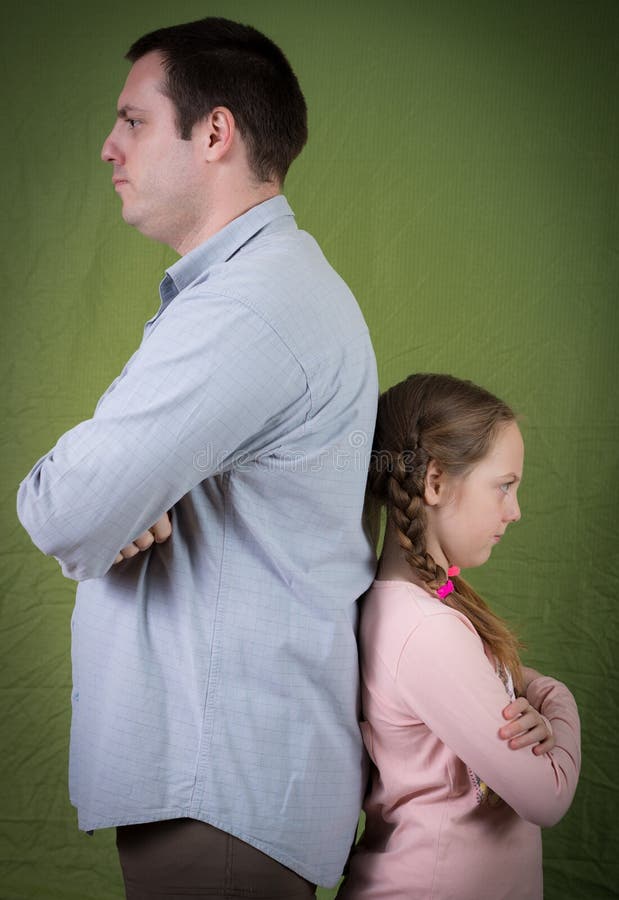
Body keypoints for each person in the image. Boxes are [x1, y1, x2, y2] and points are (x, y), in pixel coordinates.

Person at [16, 17, 379, 899]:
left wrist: (102, 504)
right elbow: (103, 509)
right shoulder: (250, 292)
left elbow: (65, 508)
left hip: (220, 794)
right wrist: (117, 506)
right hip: (224, 784)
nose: (109, 147)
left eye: (134, 120)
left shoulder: (250, 308)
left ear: (214, 133)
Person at [338, 373, 580, 900]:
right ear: (436, 483)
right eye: (504, 485)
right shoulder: (425, 632)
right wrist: (560, 700)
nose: (514, 511)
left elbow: (504, 679)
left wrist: (528, 693)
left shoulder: (423, 610)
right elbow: (548, 796)